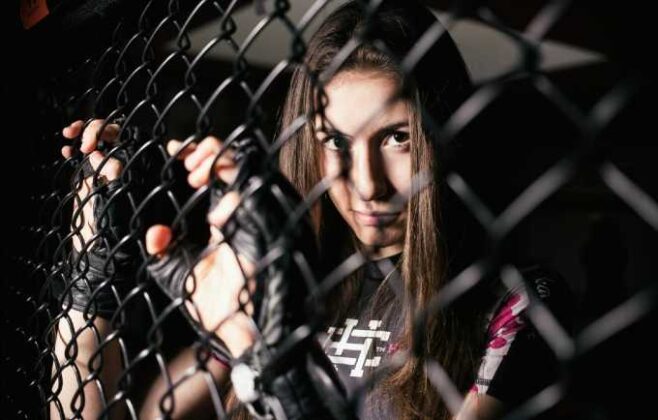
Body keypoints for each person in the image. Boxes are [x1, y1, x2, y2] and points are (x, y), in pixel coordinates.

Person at [52, 1, 571, 419]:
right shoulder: (292, 279)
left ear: (446, 139)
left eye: (398, 138)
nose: (366, 185)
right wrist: (95, 275)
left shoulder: (514, 304)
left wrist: (283, 375)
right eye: (335, 141)